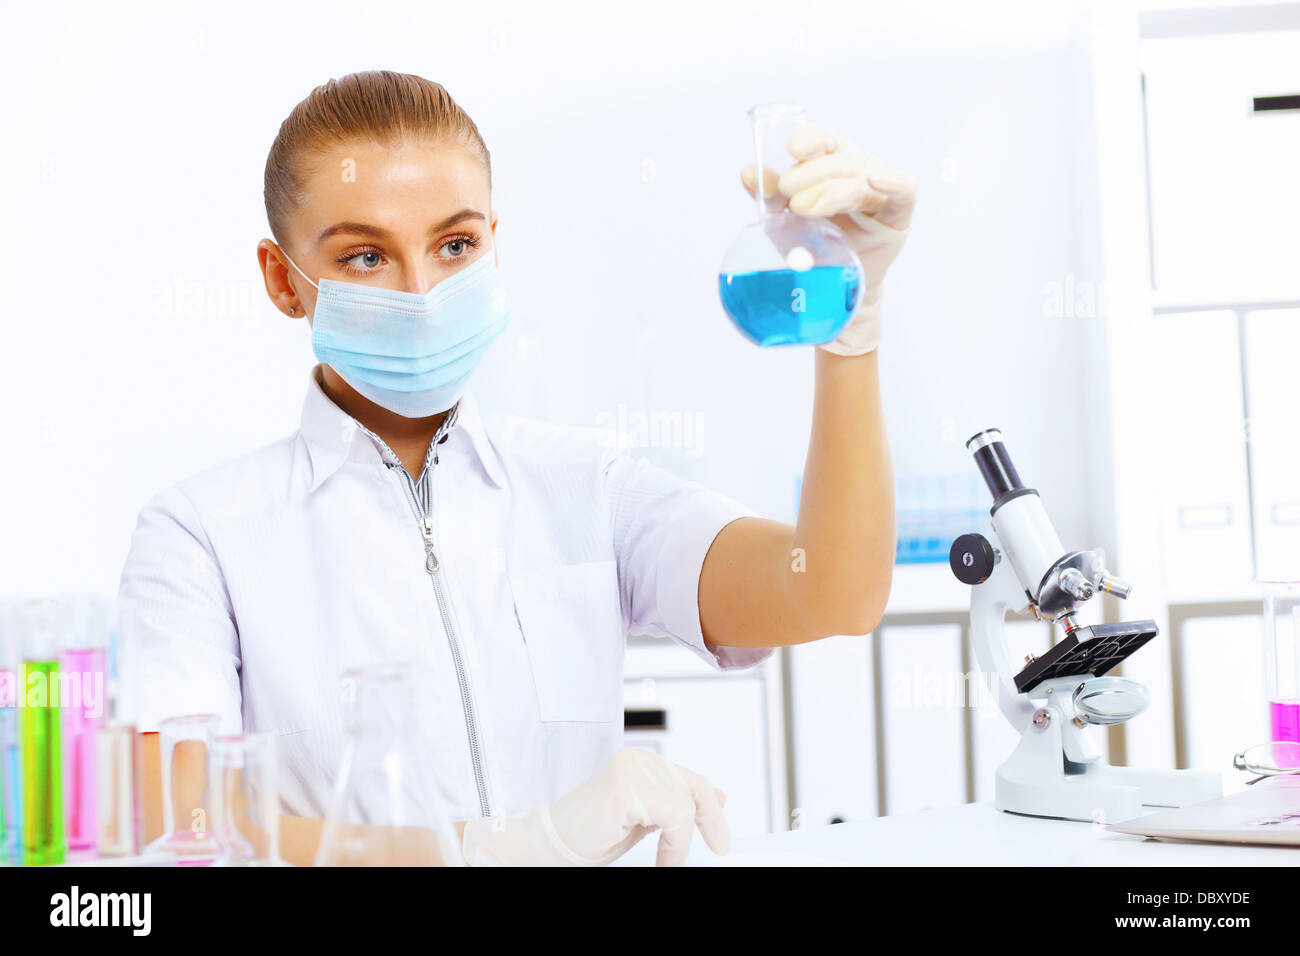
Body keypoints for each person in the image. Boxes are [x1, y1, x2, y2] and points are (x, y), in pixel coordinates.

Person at [119, 71, 915, 866]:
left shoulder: (584, 486)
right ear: (282, 280)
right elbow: (183, 819)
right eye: (365, 256)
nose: (423, 292)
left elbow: (830, 593)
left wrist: (854, 331)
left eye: (455, 244)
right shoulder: (200, 535)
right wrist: (513, 848)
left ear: (494, 239)